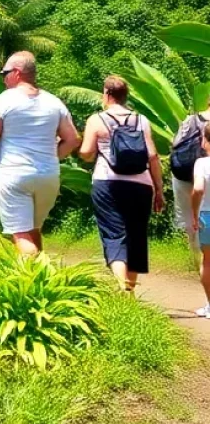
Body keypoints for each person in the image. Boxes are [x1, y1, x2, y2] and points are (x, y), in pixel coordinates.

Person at [0, 51, 80, 255]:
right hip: (48, 177)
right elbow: (72, 140)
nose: (4, 78)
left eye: (5, 73)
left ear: (16, 73)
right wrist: (51, 158)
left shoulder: (4, 100)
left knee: (20, 234)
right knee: (34, 230)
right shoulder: (54, 102)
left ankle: (32, 275)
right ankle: (43, 281)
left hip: (14, 174)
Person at [78, 76, 164, 291]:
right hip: (141, 184)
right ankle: (131, 288)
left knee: (114, 234)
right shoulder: (141, 120)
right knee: (135, 236)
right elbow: (152, 156)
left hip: (108, 182)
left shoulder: (96, 120)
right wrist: (159, 190)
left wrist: (87, 152)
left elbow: (87, 153)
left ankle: (124, 288)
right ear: (126, 96)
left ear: (107, 94)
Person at [171, 106, 210, 255]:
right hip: (206, 173)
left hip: (184, 173)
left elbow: (175, 144)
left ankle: (200, 261)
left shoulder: (190, 119)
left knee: (190, 222)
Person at [189, 123, 210, 317]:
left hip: (207, 214)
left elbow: (198, 189)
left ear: (205, 141)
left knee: (208, 262)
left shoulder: (201, 164)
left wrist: (194, 212)